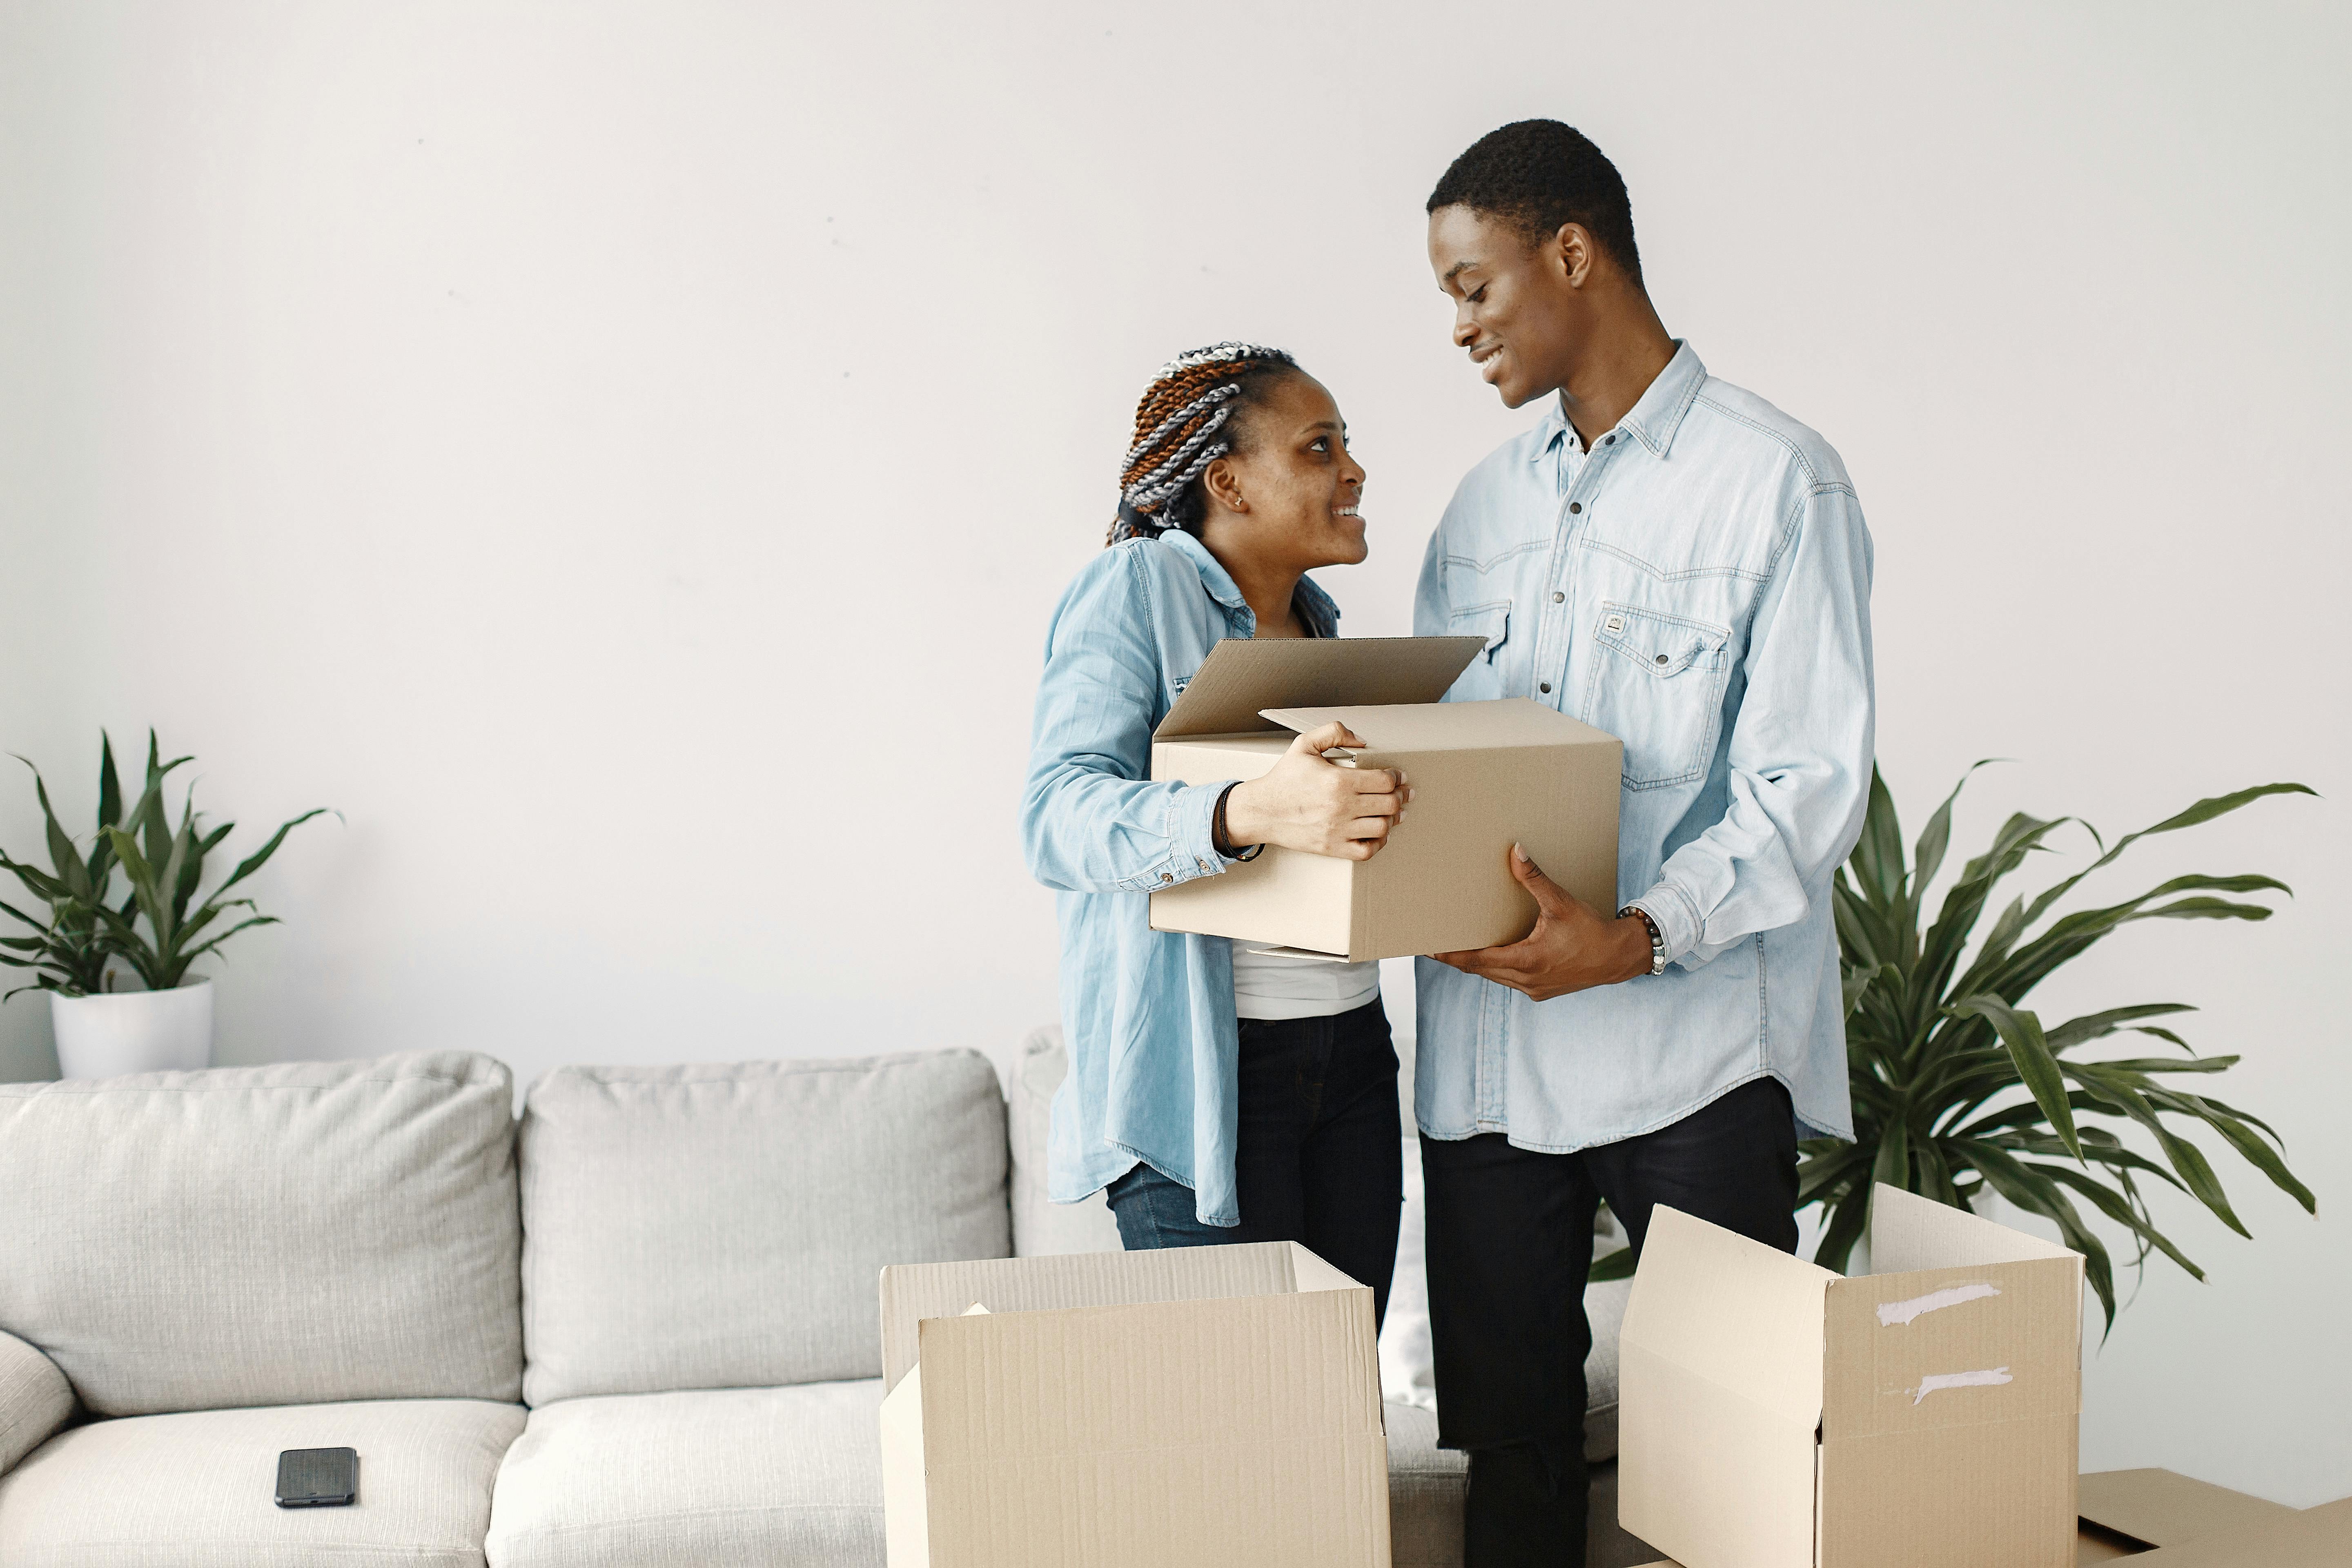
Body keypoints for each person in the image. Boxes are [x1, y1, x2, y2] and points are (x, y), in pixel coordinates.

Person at [1413, 121, 1875, 1565]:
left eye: (1473, 286)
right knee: (1515, 1469)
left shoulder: (1779, 483)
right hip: (1486, 1070)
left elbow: (1806, 783)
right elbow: (1436, 771)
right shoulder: (1479, 511)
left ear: (1572, 251)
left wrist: (1636, 932)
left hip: (1685, 1061)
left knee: (1732, 1471)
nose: (1461, 328)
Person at [1022, 342, 1409, 1325]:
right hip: (1209, 1076)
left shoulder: (1318, 623)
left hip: (1353, 1051)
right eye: (1318, 448)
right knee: (1238, 1432)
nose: (1353, 471)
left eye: (1346, 446)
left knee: (1332, 1409)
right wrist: (1244, 811)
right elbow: (1058, 815)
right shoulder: (1134, 590)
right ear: (1226, 480)